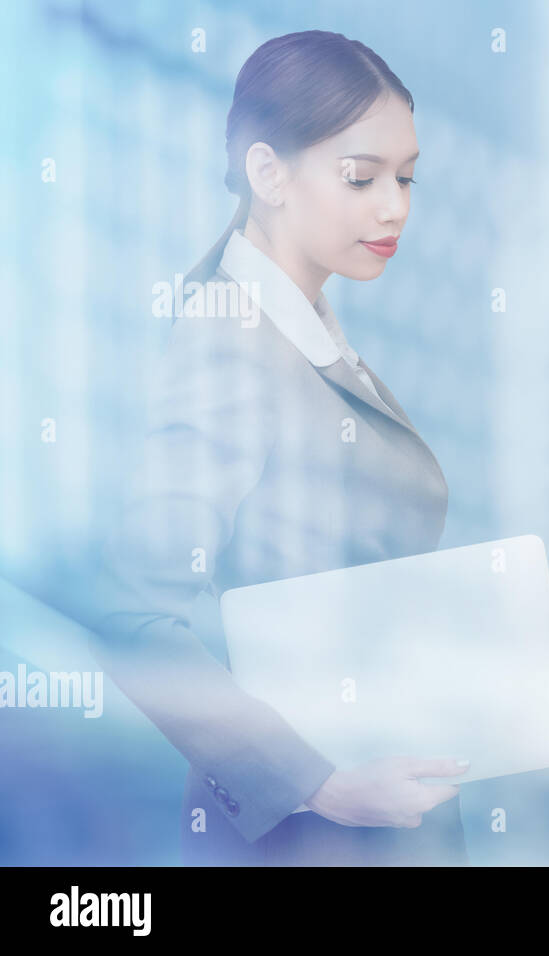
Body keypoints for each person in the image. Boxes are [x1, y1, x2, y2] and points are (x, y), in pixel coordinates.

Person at [88, 30, 470, 866]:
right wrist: (315, 782)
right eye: (361, 177)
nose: (395, 206)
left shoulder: (313, 337)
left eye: (406, 179)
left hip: (382, 813)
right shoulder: (230, 339)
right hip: (311, 837)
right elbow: (132, 610)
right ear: (268, 174)